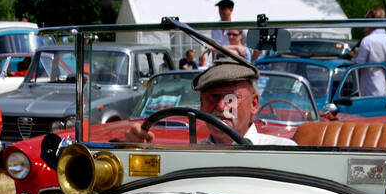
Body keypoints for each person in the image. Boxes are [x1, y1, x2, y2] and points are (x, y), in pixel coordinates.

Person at [125, 60, 293, 146]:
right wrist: (136, 148)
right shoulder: (193, 156)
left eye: (230, 98)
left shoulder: (283, 151)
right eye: (212, 98)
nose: (220, 107)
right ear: (201, 105)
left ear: (254, 104)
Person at [353, 8, 386, 96]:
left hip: (371, 93)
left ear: (370, 23)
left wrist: (356, 56)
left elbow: (358, 67)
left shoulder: (367, 41)